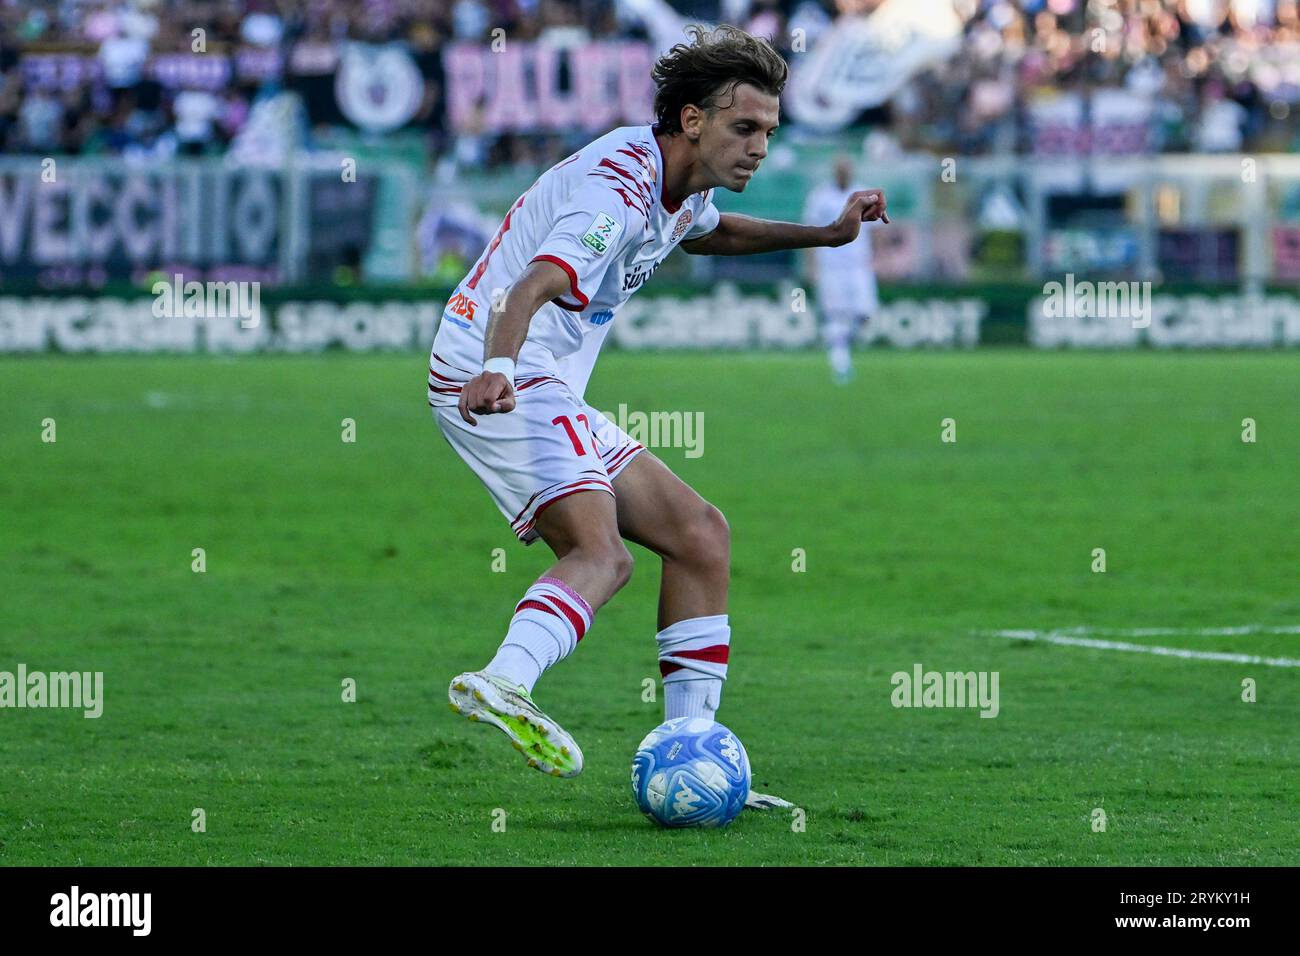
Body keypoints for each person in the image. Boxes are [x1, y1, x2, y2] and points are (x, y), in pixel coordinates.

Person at [430, 24, 888, 809]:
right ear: (691, 121)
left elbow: (709, 236)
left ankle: (693, 750)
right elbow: (534, 284)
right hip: (496, 371)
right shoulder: (619, 187)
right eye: (746, 128)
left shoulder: (683, 188)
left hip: (538, 379)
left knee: (700, 535)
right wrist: (498, 370)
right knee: (604, 556)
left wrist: (827, 234)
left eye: (770, 132)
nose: (761, 148)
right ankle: (504, 681)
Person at [803, 154, 883, 384]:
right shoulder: (820, 197)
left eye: (847, 169)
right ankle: (840, 363)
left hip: (859, 267)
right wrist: (812, 265)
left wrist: (877, 260)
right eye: (840, 169)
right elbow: (810, 231)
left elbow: (876, 231)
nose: (844, 173)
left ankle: (841, 344)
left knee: (864, 314)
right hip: (832, 269)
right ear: (835, 171)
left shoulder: (864, 195)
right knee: (836, 316)